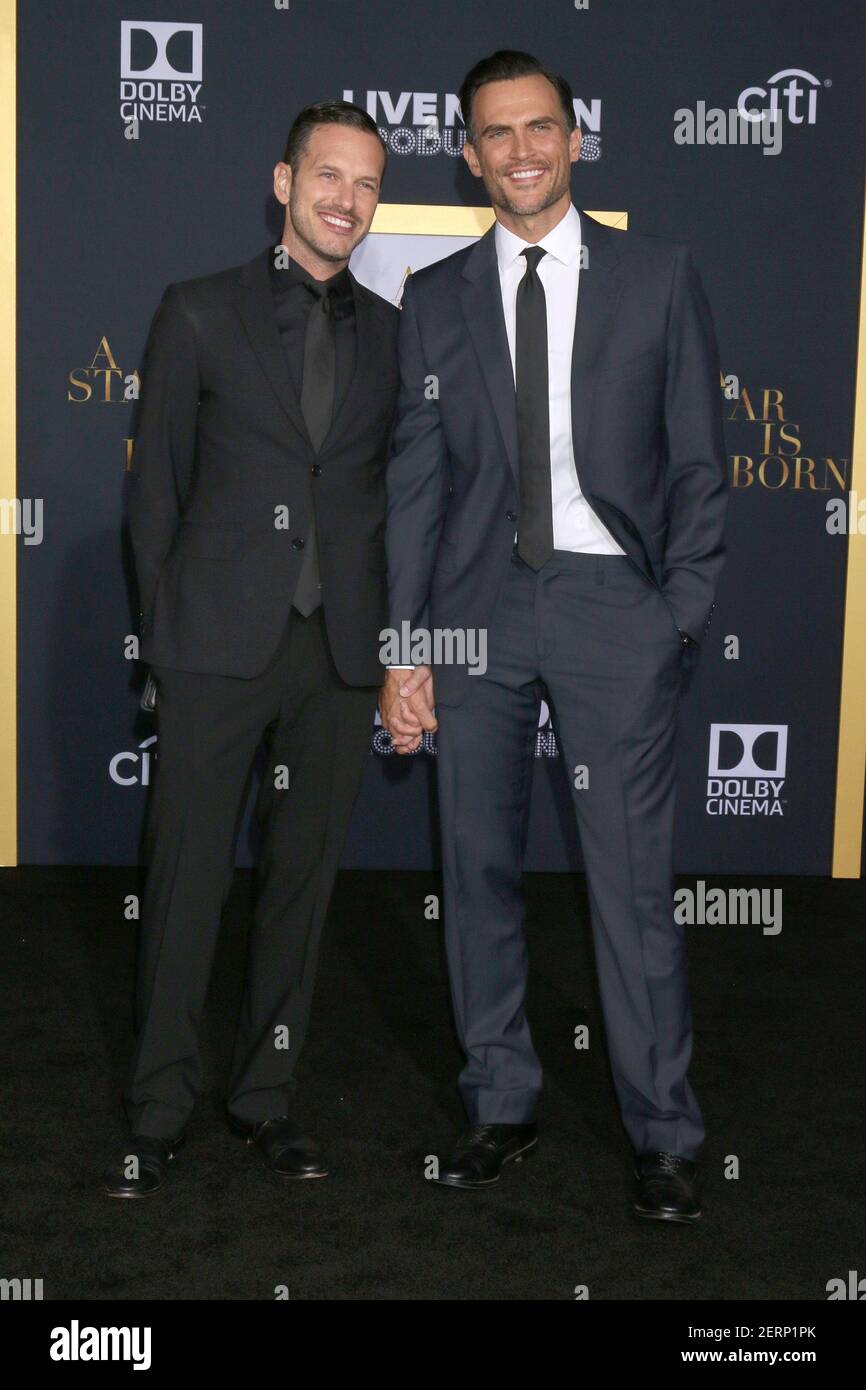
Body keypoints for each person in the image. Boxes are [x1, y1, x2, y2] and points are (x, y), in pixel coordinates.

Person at [380, 51, 727, 1223]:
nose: (519, 150)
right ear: (466, 153)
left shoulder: (658, 277)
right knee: (473, 865)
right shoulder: (432, 299)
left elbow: (695, 463)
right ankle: (499, 1101)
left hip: (610, 607)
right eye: (495, 133)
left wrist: (671, 614)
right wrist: (404, 646)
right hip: (476, 611)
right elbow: (414, 490)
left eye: (539, 128)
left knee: (630, 886)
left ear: (573, 139)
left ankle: (664, 1131)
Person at [105, 101, 398, 1197]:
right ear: (283, 182)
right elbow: (155, 499)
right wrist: (164, 644)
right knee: (185, 887)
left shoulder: (393, 333)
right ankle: (157, 1105)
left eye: (366, 184)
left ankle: (264, 1100)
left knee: (299, 890)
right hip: (213, 651)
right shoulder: (195, 313)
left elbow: (379, 501)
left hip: (334, 656)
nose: (346, 200)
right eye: (328, 176)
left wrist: (389, 650)